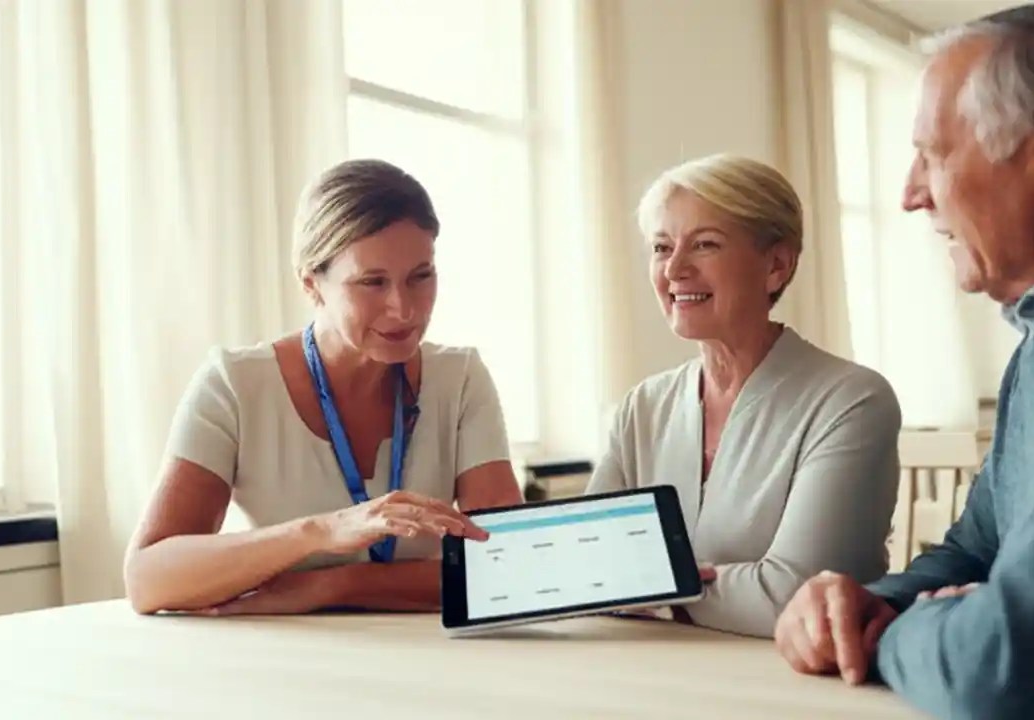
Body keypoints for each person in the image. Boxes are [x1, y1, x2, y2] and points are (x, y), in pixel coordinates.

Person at [773, 5, 1034, 718]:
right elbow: (975, 551)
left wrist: (901, 633)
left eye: (934, 154)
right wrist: (859, 607)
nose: (912, 194)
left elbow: (1012, 667)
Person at [124, 159, 524, 615]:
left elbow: (504, 560)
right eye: (372, 282)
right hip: (291, 665)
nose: (403, 309)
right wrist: (324, 531)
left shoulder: (461, 379)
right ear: (311, 284)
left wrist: (332, 585)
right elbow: (148, 580)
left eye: (421, 276)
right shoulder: (233, 386)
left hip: (427, 657)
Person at [586, 153, 901, 638]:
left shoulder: (852, 400)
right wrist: (702, 591)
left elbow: (793, 598)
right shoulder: (641, 408)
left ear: (776, 265)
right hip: (652, 671)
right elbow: (585, 571)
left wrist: (649, 592)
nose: (674, 270)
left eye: (705, 244)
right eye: (661, 247)